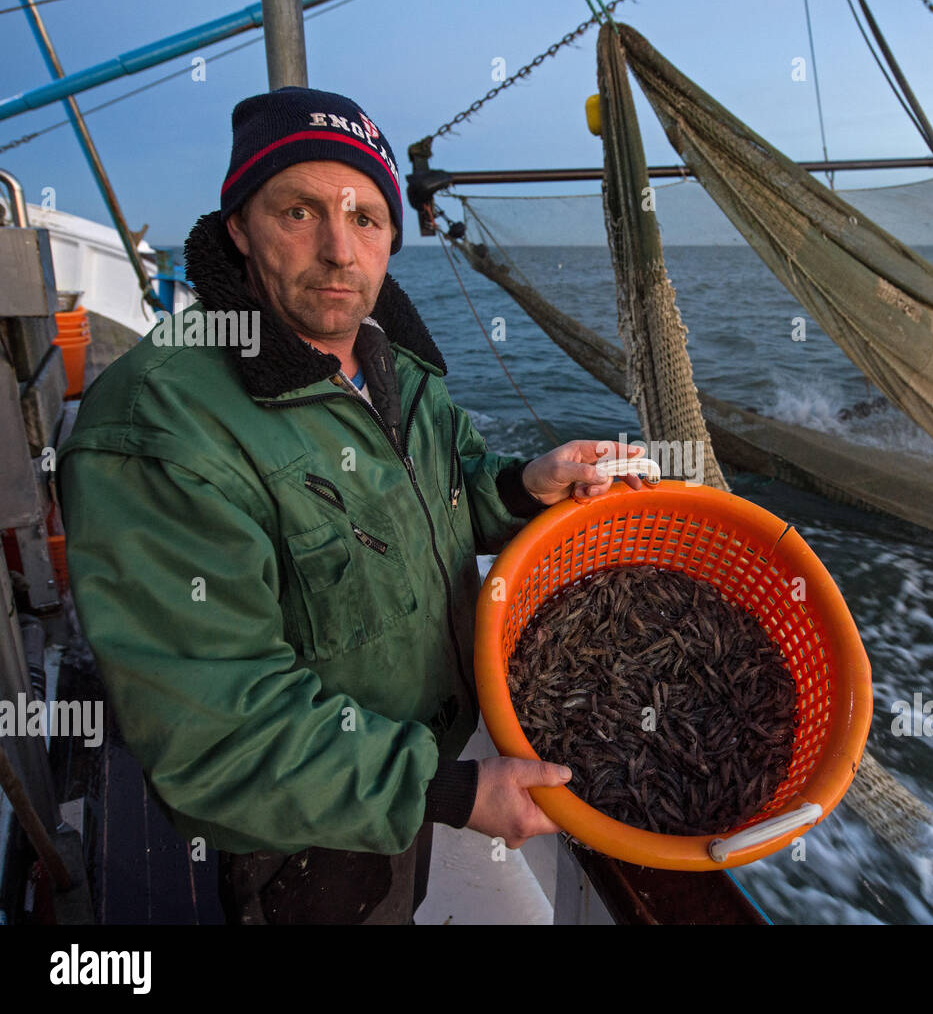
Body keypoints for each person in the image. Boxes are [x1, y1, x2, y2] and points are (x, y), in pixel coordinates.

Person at [57, 86, 645, 924]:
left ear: (392, 238)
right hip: (300, 830)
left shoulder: (394, 358)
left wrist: (521, 486)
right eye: (299, 211)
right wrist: (450, 789)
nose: (339, 249)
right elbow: (218, 727)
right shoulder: (158, 426)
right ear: (238, 229)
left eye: (365, 218)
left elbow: (445, 489)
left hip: (418, 767)